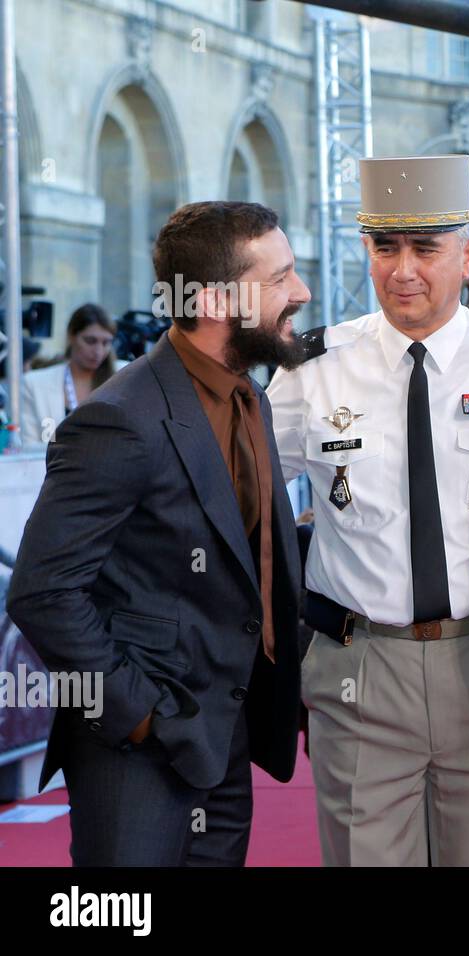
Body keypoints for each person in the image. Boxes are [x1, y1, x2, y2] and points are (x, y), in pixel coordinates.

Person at [267, 154, 469, 867]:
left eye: (426, 249)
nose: (404, 270)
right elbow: (250, 501)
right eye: (385, 247)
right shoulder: (313, 367)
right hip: (361, 666)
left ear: (467, 255)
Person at [6, 200, 312, 865]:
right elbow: (42, 591)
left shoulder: (249, 396)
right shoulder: (120, 418)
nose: (301, 292)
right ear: (213, 302)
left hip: (222, 744)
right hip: (136, 757)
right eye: (281, 277)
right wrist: (142, 716)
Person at [20, 303, 124, 447]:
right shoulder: (35, 384)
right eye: (90, 341)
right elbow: (28, 447)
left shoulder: (125, 375)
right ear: (71, 336)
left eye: (106, 343)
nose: (98, 351)